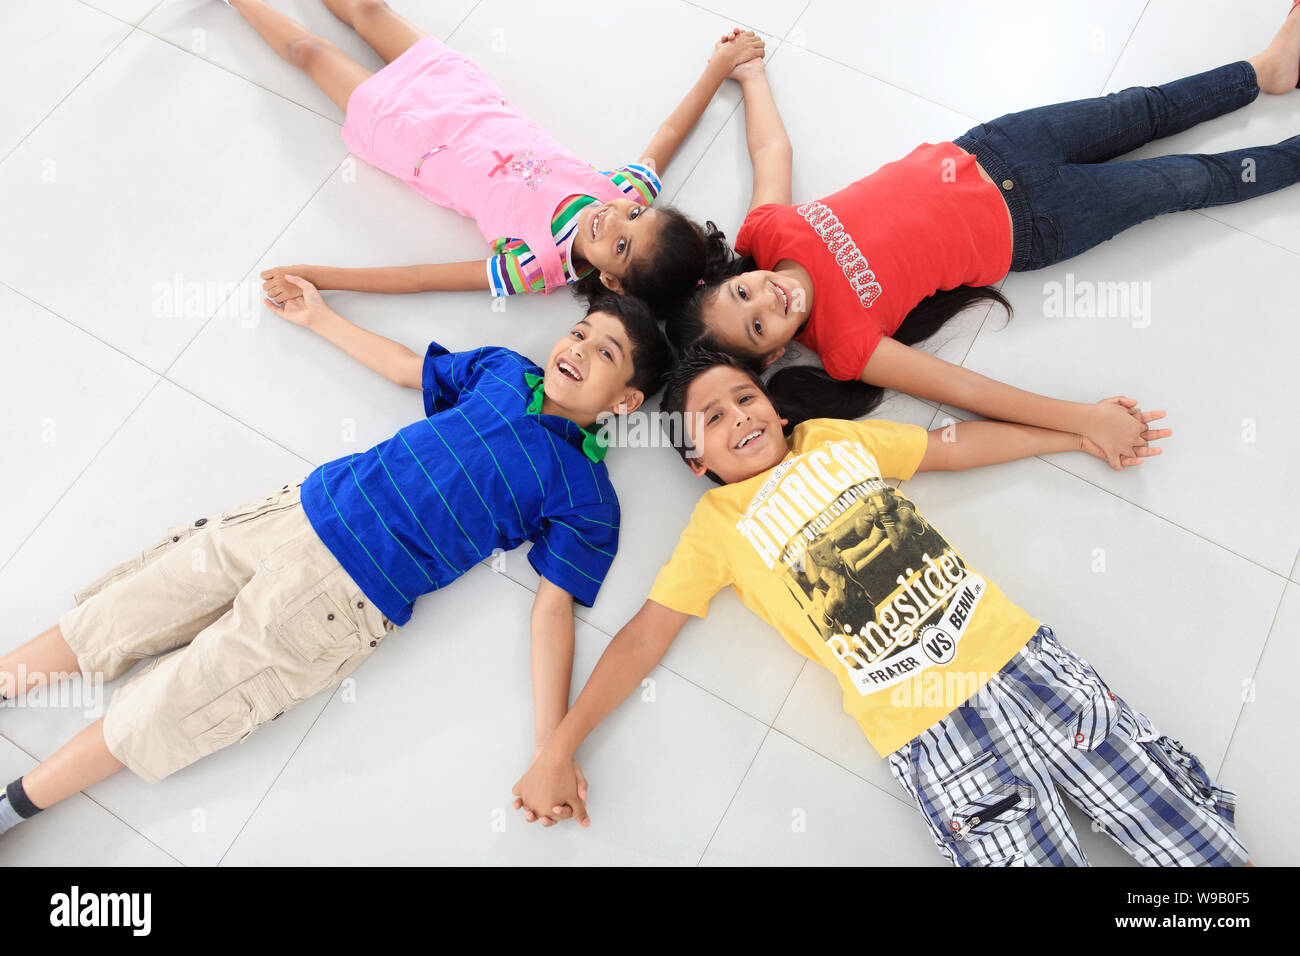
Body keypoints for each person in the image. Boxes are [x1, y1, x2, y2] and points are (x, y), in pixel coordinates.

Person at [509, 351, 1245, 867]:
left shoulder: (833, 442)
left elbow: (950, 447)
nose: (739, 414)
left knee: (1183, 826)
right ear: (698, 464)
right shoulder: (717, 528)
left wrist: (1078, 431)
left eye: (746, 397)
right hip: (932, 731)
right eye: (712, 417)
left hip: (1021, 662)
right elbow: (642, 639)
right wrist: (558, 745)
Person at [0, 282, 672, 837]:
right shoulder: (502, 371)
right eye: (581, 331)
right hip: (295, 513)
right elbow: (409, 368)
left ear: (625, 401)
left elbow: (552, 613)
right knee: (120, 613)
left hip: (341, 601)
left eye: (606, 352)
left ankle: (15, 806)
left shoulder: (586, 495)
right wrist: (320, 316)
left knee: (169, 707)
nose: (579, 348)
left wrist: (552, 748)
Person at [669, 1, 1300, 465]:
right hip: (1037, 222)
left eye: (743, 292)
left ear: (740, 273)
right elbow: (966, 390)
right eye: (759, 327)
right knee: (1188, 180)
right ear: (777, 352)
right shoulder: (845, 343)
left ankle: (1266, 70)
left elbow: (769, 147)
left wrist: (750, 75)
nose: (765, 301)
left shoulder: (770, 230)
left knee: (1144, 108)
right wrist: (1083, 421)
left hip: (992, 147)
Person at [214, 0, 758, 313]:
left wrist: (316, 274)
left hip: (409, 134)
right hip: (461, 93)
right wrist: (721, 66)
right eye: (637, 217)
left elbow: (422, 277)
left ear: (612, 281)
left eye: (619, 243)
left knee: (309, 53)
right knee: (367, 7)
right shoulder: (623, 194)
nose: (614, 217)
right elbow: (669, 132)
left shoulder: (534, 265)